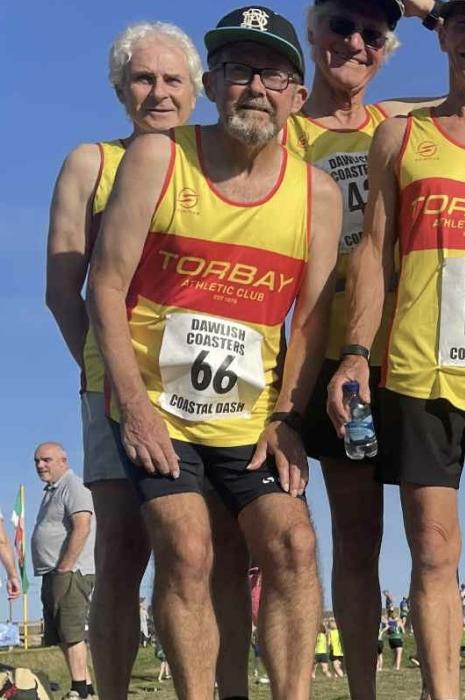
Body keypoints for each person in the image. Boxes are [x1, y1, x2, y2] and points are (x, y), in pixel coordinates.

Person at [87, 6, 339, 698]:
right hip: (155, 409)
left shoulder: (316, 194)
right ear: (214, 84)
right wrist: (132, 407)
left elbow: (311, 325)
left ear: (295, 93)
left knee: (293, 545)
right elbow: (103, 289)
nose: (254, 87)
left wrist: (288, 418)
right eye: (236, 71)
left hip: (248, 417)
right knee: (189, 551)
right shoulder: (158, 157)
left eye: (273, 74)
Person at [286, 0, 465, 692]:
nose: (355, 44)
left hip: (417, 351)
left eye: (372, 34)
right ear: (313, 31)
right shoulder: (282, 132)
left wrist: (433, 13)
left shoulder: (395, 120)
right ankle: (365, 687)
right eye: (340, 26)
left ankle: (436, 683)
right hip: (334, 349)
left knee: (434, 542)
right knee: (359, 539)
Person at [44, 22, 253, 700]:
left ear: (199, 90)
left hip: (215, 389)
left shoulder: (222, 162)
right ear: (119, 89)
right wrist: (101, 371)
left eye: (172, 80)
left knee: (216, 551)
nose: (158, 93)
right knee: (122, 552)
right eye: (143, 79)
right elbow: (62, 287)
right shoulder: (92, 162)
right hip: (121, 390)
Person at [31, 443, 95, 699]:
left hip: (70, 572)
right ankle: (86, 687)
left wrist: (66, 565)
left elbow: (82, 525)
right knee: (60, 634)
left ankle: (79, 688)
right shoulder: (52, 491)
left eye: (46, 460)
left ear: (63, 460)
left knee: (71, 631)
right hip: (53, 572)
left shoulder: (73, 486)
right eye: (37, 461)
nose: (40, 465)